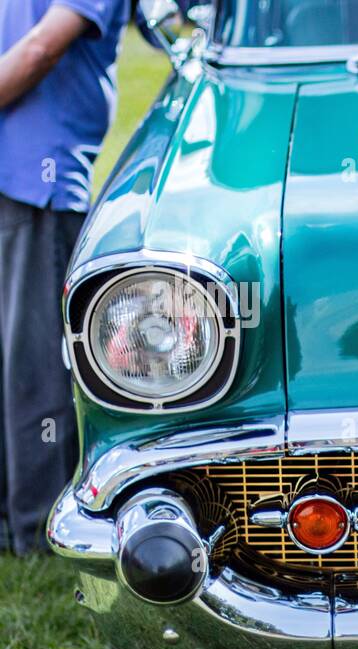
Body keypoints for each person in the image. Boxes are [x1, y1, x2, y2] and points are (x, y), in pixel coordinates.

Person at [0, 1, 128, 554]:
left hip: (36, 179)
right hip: (25, 179)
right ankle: (25, 526)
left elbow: (39, 48)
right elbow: (30, 47)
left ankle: (32, 527)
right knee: (25, 368)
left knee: (30, 367)